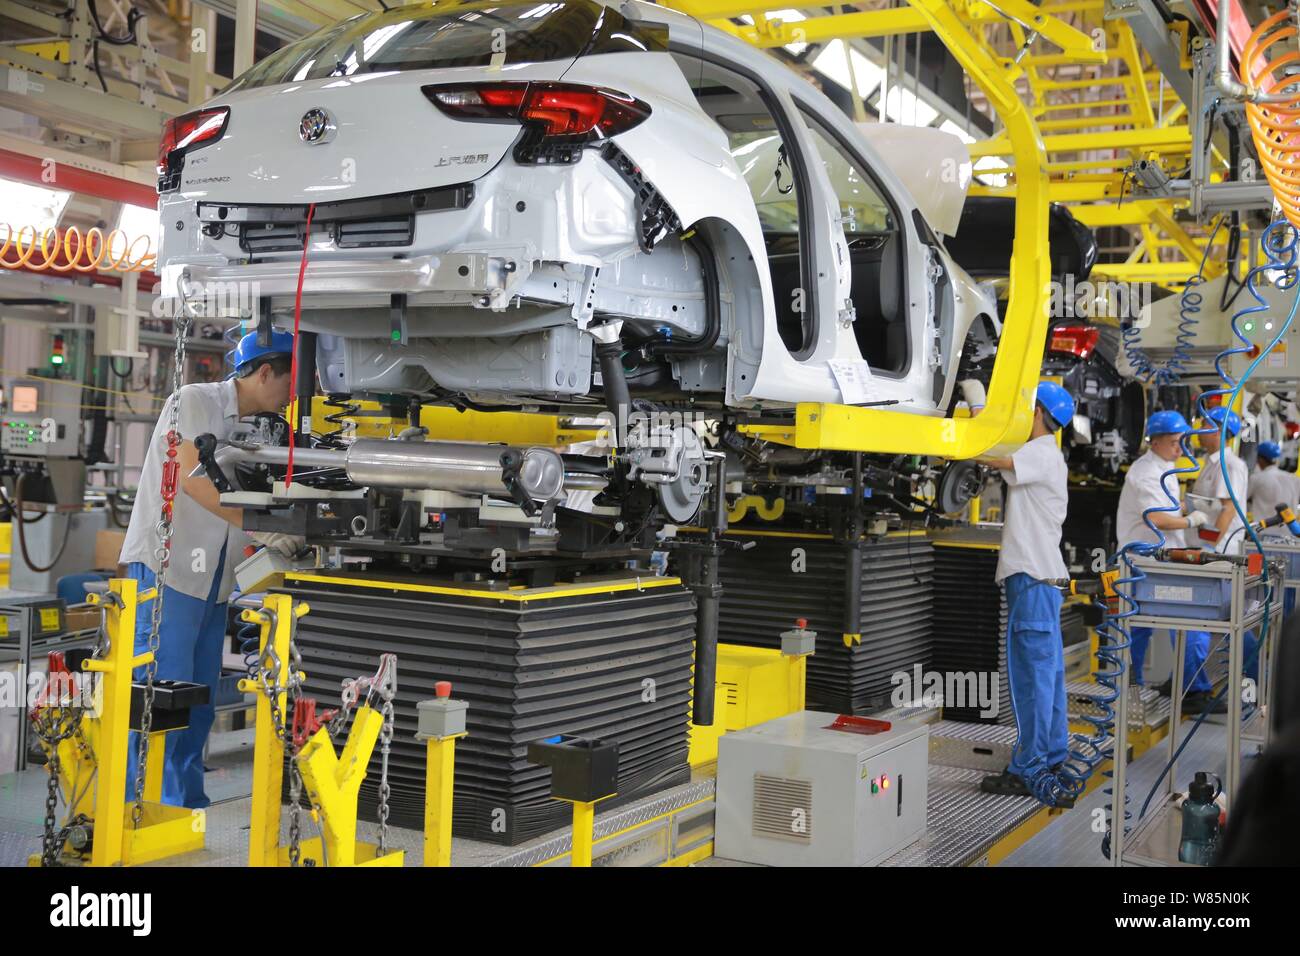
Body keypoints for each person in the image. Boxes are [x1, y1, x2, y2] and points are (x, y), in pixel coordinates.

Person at [117, 330, 306, 808]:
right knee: (163, 692)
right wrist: (262, 529)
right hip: (169, 570)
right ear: (265, 372)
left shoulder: (262, 425)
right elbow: (187, 479)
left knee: (198, 700)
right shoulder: (194, 401)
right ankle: (138, 809)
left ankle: (185, 805)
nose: (292, 400)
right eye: (290, 385)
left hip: (215, 581)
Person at [977, 381, 1076, 807]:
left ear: (1036, 411)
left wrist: (956, 441)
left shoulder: (1040, 451)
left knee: (1030, 678)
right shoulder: (1048, 456)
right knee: (1048, 675)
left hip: (1032, 579)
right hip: (1045, 580)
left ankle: (1027, 766)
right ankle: (1051, 755)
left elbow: (995, 456)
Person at [1114, 410, 1219, 711]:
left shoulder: (1165, 467)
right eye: (1174, 442)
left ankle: (1184, 686)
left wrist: (1188, 506)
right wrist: (1190, 521)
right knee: (1152, 626)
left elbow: (1167, 509)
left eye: (1183, 441)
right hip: (1143, 561)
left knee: (1172, 624)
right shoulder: (1145, 472)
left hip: (1162, 560)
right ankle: (1136, 689)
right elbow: (1156, 518)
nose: (1180, 448)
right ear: (1155, 442)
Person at [1249, 440, 1298, 526]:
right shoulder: (1294, 479)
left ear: (1260, 459)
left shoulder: (1256, 479)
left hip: (1263, 532)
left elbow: (1240, 498)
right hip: (1290, 534)